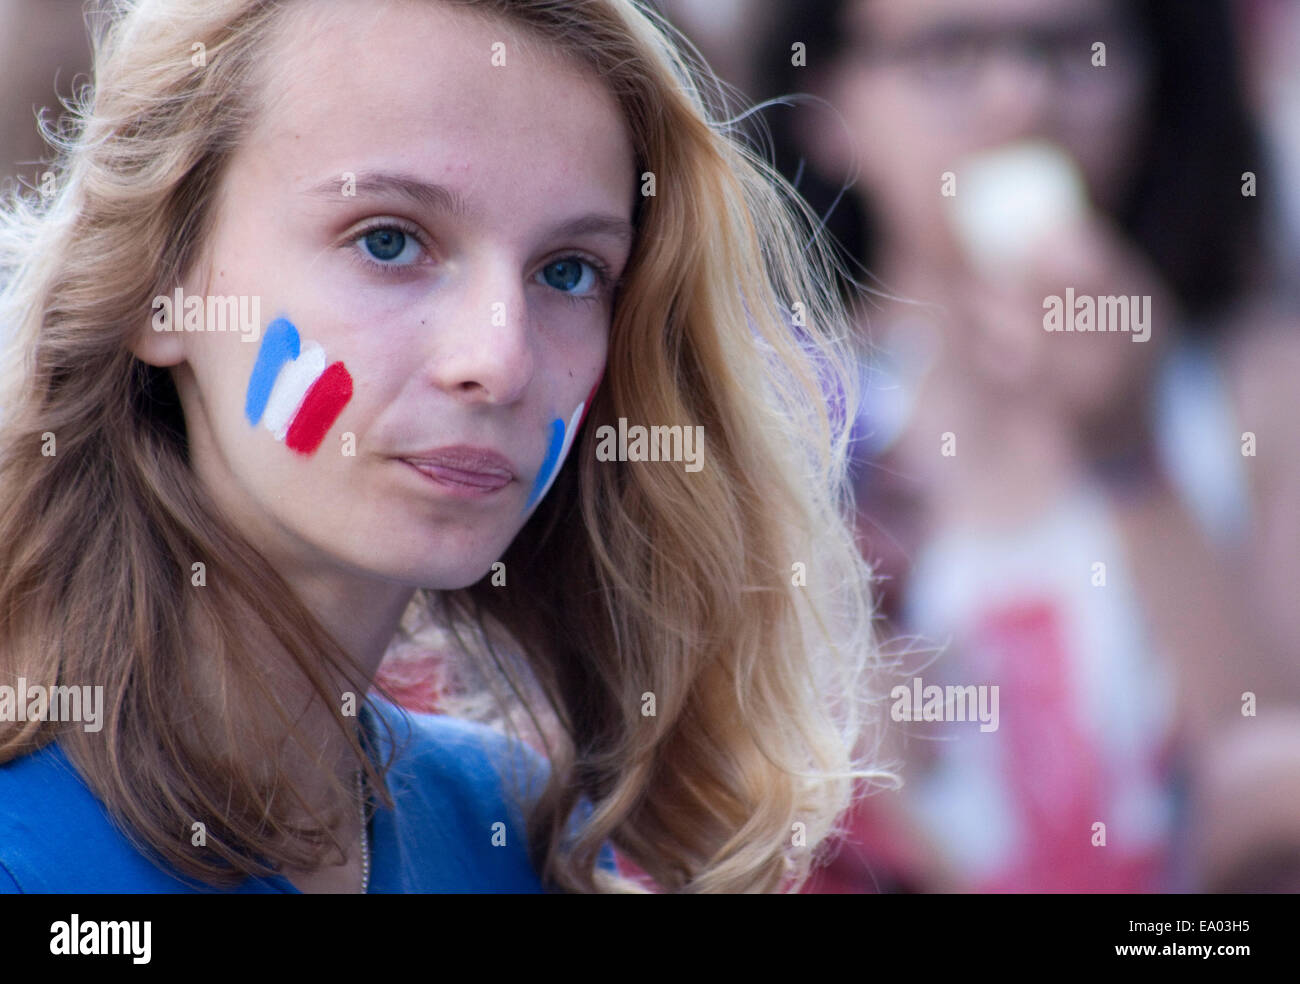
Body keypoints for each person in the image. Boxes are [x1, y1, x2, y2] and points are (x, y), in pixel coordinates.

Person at [0, 0, 887, 893]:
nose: (499, 361)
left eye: (568, 271)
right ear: (161, 282)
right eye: (389, 241)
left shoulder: (519, 835)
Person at [752, 0, 1295, 892]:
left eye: (1074, 49)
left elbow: (1275, 790)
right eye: (951, 50)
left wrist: (1130, 458)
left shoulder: (1259, 394)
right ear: (828, 104)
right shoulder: (777, 418)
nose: (1023, 99)